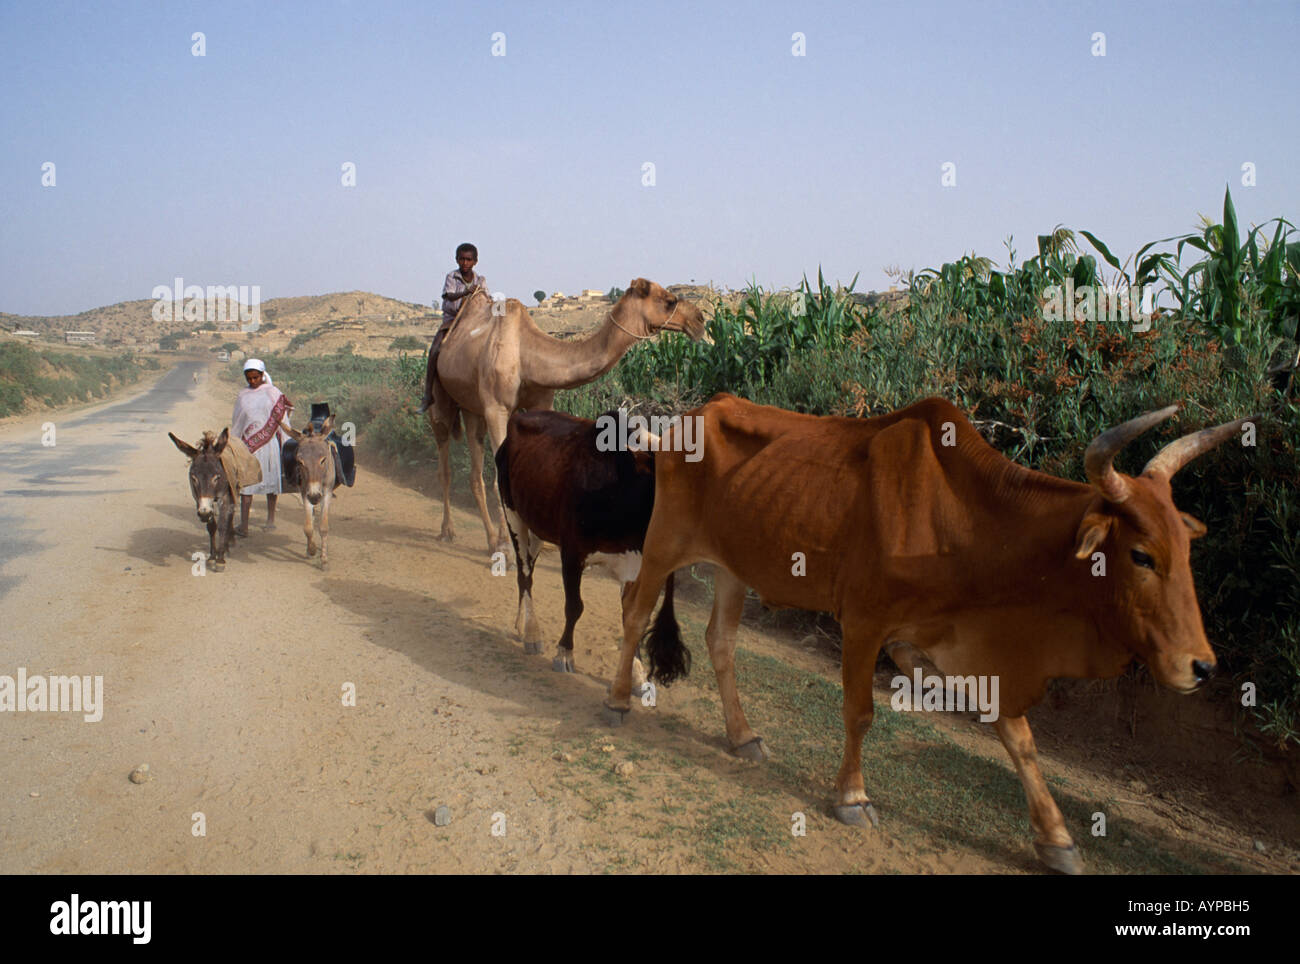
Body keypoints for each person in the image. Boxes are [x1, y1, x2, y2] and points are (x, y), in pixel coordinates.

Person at [418, 242, 487, 413]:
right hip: (453, 321)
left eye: (469, 260)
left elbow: (485, 297)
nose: (465, 263)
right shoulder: (452, 277)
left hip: (474, 321)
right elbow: (448, 295)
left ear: (475, 261)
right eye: (462, 259)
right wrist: (466, 293)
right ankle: (428, 395)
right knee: (435, 350)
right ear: (457, 260)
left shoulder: (481, 280)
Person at [231, 358, 293, 534]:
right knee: (246, 487)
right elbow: (238, 421)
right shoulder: (243, 395)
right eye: (249, 378)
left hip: (269, 445)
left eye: (255, 377)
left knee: (271, 484)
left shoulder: (273, 393)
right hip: (249, 446)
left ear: (262, 375)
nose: (252, 381)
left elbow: (283, 420)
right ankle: (244, 526)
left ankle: (271, 520)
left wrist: (288, 444)